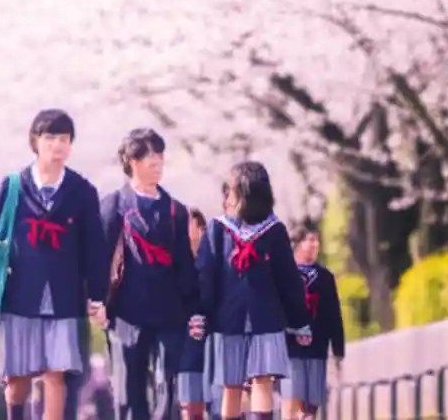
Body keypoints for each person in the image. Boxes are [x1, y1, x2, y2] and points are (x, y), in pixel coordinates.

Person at [0, 108, 110, 420]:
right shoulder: (13, 186)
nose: (57, 145)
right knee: (18, 377)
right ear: (35, 141)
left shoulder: (82, 191)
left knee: (55, 373)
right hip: (21, 292)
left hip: (65, 295)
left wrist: (97, 294)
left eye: (64, 138)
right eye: (50, 138)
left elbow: (95, 247)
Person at [193, 162, 312, 420]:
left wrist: (299, 321)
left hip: (266, 321)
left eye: (232, 191)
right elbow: (205, 275)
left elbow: (288, 280)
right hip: (228, 321)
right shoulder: (217, 229)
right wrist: (200, 313)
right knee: (231, 384)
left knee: (262, 380)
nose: (227, 196)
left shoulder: (274, 231)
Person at [101, 127, 198, 420]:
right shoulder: (113, 207)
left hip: (170, 313)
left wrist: (194, 309)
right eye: (151, 161)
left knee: (169, 386)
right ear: (132, 162)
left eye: (160, 160)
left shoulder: (176, 211)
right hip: (125, 314)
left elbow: (184, 264)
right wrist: (95, 302)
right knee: (129, 391)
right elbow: (99, 260)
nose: (158, 166)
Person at [281, 228, 345, 420]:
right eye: (310, 240)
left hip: (317, 348)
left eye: (317, 241)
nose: (315, 245)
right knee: (292, 401)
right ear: (298, 243)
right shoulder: (283, 275)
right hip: (290, 350)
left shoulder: (325, 277)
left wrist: (338, 351)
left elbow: (334, 315)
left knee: (311, 408)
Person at [177, 208, 210, 420]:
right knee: (190, 406)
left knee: (216, 404)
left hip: (211, 340)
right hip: (184, 341)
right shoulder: (176, 263)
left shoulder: (213, 261)